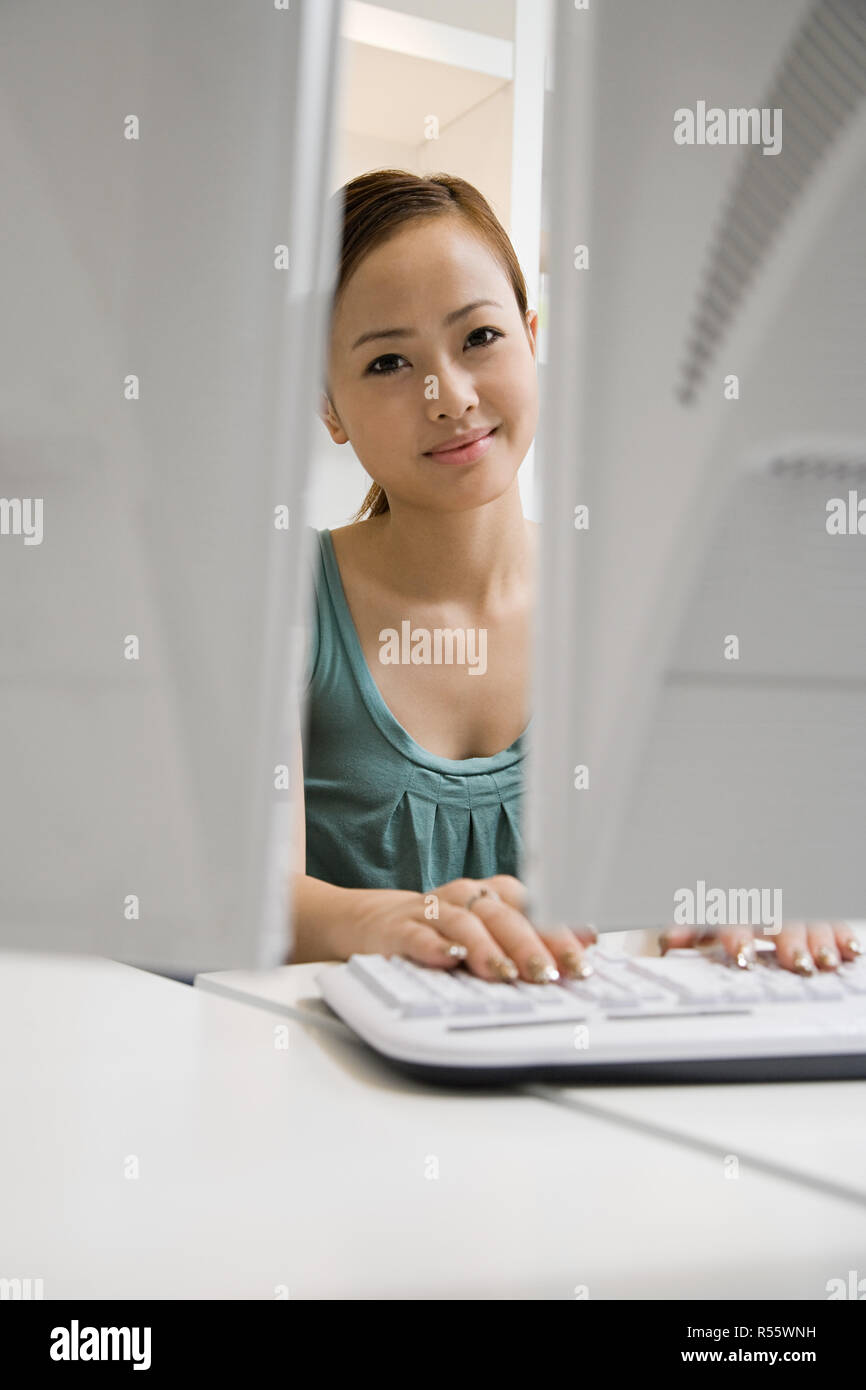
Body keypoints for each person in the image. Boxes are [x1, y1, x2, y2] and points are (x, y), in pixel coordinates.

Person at [288, 168, 861, 982]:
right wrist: (401, 918)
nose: (447, 395)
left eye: (479, 338)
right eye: (386, 362)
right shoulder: (285, 603)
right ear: (329, 408)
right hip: (339, 1093)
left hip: (591, 1082)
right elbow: (252, 894)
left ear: (530, 337)